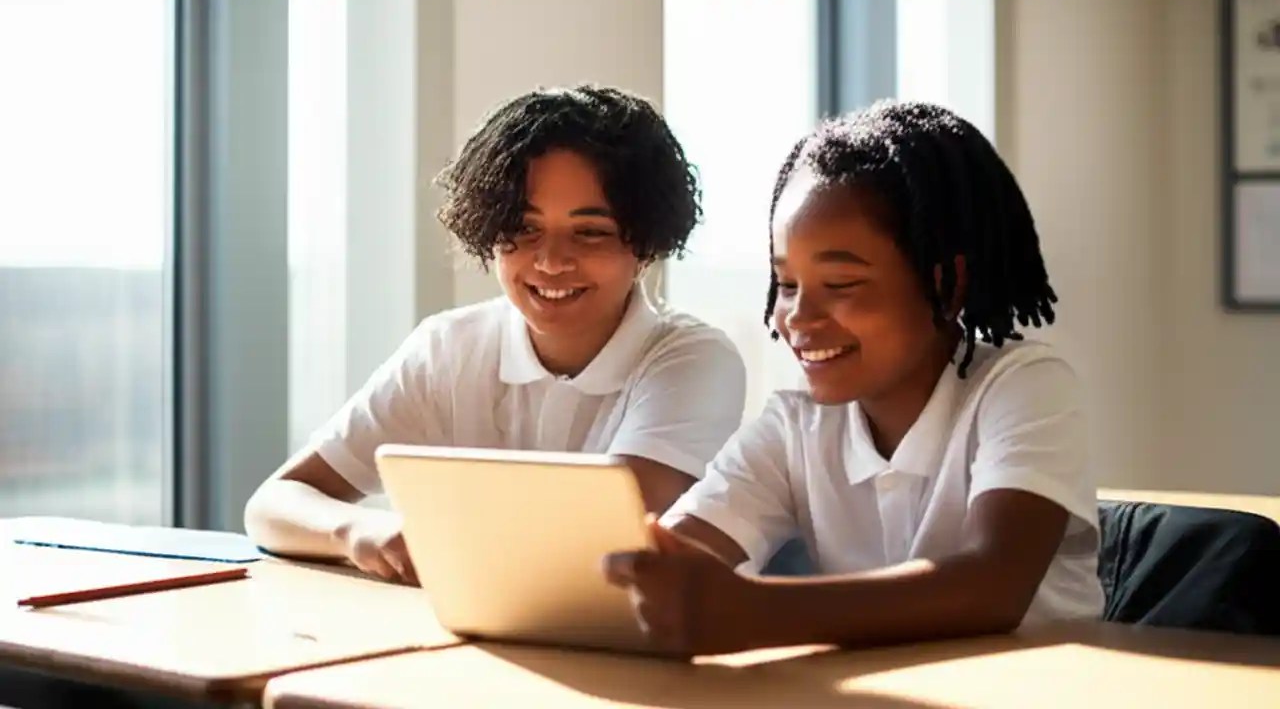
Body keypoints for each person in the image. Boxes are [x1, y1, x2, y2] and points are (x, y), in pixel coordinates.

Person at [604, 101, 1104, 655]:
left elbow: (993, 587)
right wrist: (643, 576)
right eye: (786, 285)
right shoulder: (797, 424)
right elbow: (677, 551)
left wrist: (756, 611)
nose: (797, 317)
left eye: (840, 285)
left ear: (946, 283)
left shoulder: (1026, 385)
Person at [245, 85, 746, 584]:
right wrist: (360, 529)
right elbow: (273, 504)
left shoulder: (692, 360)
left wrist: (436, 537)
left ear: (646, 243)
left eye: (590, 232)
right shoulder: (448, 348)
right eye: (524, 230)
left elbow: (604, 539)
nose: (551, 261)